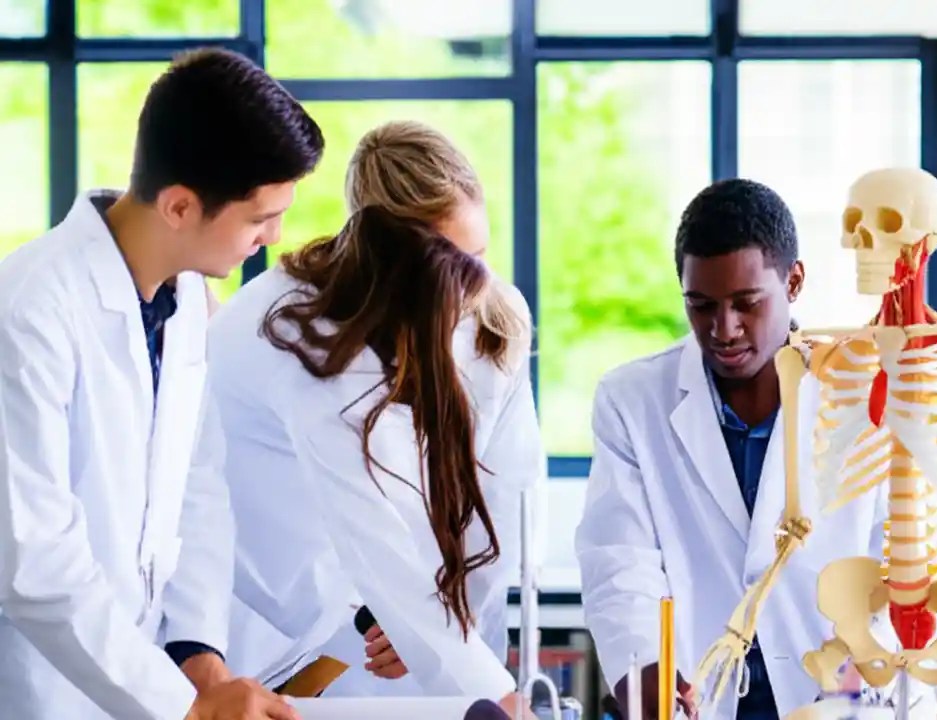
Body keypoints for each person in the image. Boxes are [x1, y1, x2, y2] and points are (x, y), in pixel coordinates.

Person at [0, 48, 322, 720]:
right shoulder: (30, 309)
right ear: (180, 206)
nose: (273, 238)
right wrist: (185, 706)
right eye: (260, 217)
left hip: (143, 681)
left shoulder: (185, 307)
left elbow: (196, 489)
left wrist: (196, 653)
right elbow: (33, 561)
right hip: (39, 691)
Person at [207, 121, 541, 717]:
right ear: (392, 260)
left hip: (386, 623)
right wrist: (459, 661)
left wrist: (458, 630)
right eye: (452, 263)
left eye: (481, 255)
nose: (475, 284)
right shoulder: (299, 338)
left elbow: (504, 494)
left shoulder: (495, 315)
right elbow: (367, 528)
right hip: (271, 635)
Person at [576, 179, 931, 720]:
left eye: (746, 303)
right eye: (701, 306)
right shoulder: (632, 400)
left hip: (841, 698)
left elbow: (910, 557)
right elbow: (620, 563)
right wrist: (643, 667)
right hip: (700, 694)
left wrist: (869, 663)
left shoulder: (868, 391)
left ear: (794, 281)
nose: (724, 328)